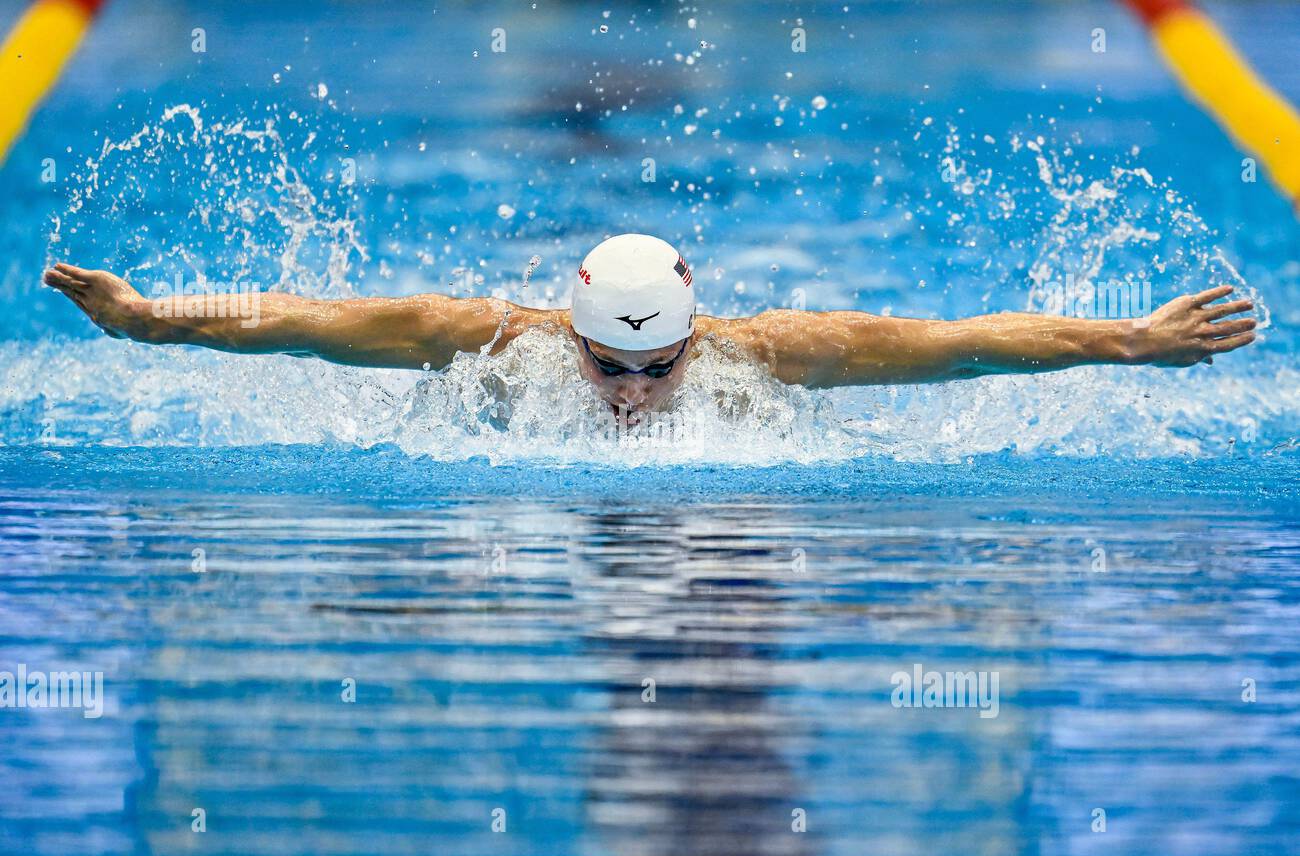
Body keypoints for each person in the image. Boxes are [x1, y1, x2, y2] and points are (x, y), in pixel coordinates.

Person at [42, 233, 1257, 422]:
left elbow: (966, 338)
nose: (629, 394)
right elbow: (297, 321)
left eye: (654, 365)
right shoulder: (486, 337)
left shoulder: (764, 354)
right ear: (566, 333)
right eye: (605, 364)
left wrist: (1128, 339)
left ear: (694, 336)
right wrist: (155, 322)